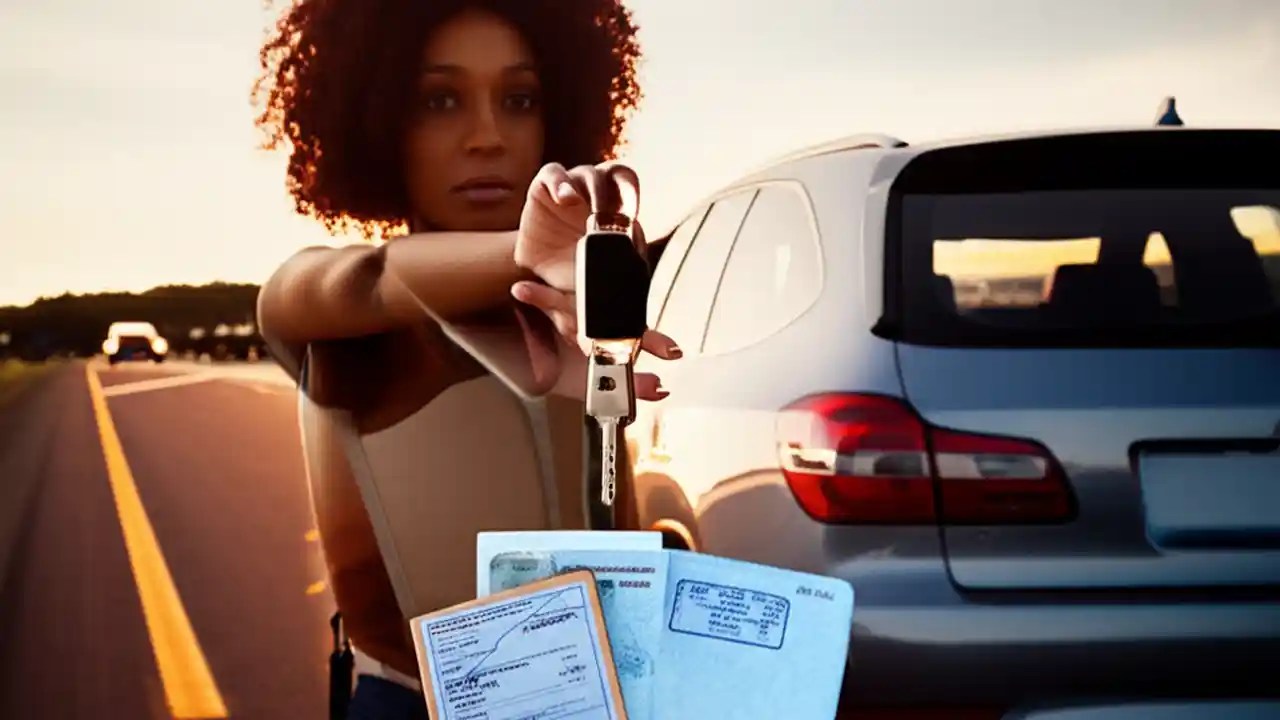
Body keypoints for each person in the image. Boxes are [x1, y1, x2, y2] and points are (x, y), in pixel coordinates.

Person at [252, 1, 678, 717]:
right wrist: (526, 253)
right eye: (440, 100)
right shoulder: (335, 311)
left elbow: (618, 529)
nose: (487, 137)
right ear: (380, 120)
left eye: (520, 99)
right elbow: (363, 281)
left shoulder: (581, 317)